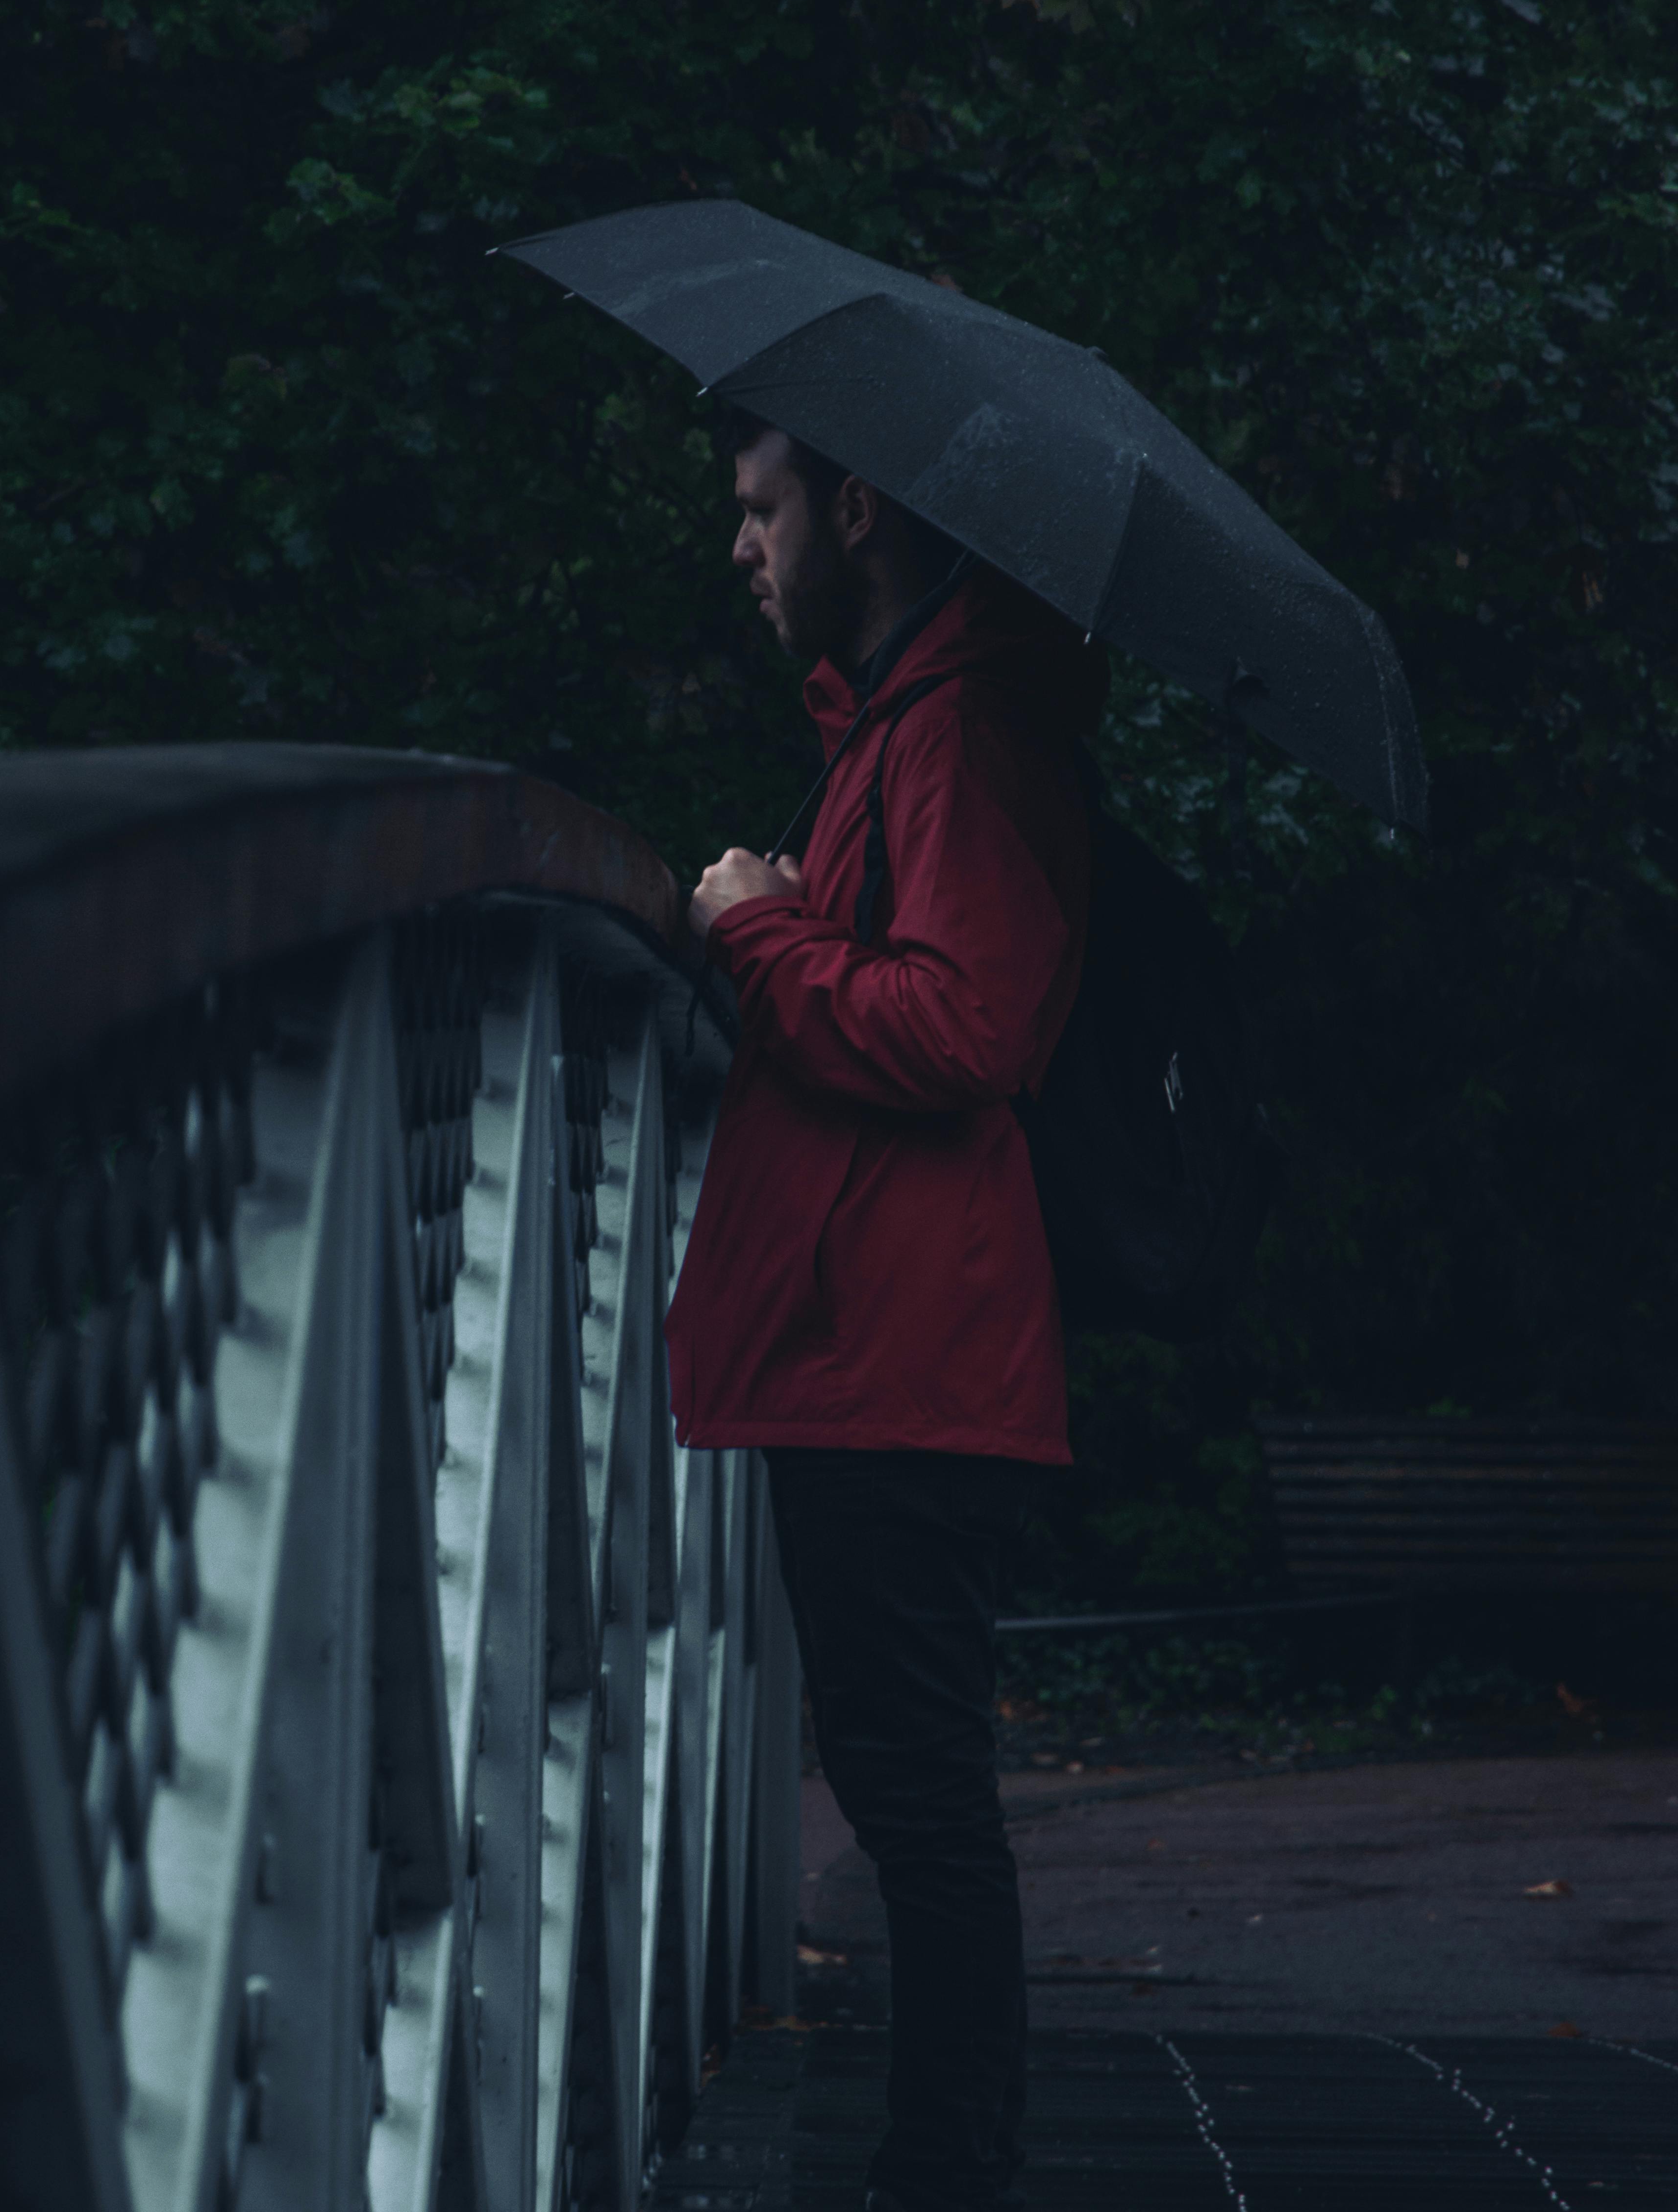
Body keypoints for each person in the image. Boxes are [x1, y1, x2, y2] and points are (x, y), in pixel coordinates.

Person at [669, 415, 1104, 2212]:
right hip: (880, 1346)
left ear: (860, 505)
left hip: (913, 1354)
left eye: (764, 508)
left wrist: (760, 936)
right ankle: (948, 2162)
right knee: (909, 1784)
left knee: (922, 1802)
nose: (745, 549)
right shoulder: (902, 724)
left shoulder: (967, 728)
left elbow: (968, 1028)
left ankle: (949, 2171)